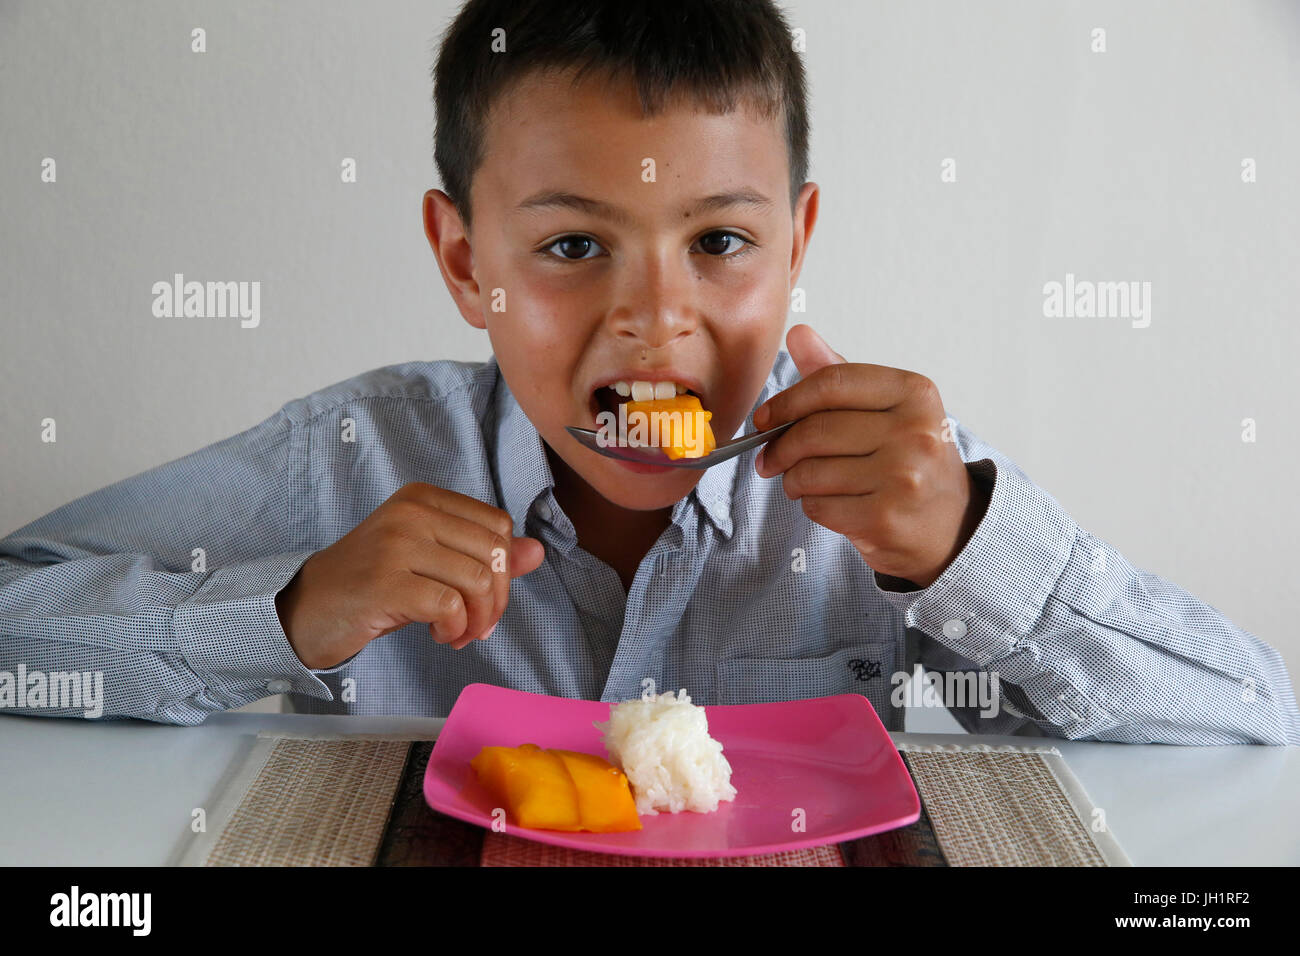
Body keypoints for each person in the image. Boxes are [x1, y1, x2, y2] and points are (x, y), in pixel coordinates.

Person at [2, 0, 1296, 745]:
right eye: (572, 245)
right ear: (465, 264)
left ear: (798, 251)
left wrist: (973, 549)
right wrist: (280, 616)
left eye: (721, 242)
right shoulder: (352, 463)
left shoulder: (885, 504)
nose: (652, 320)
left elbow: (1251, 717)